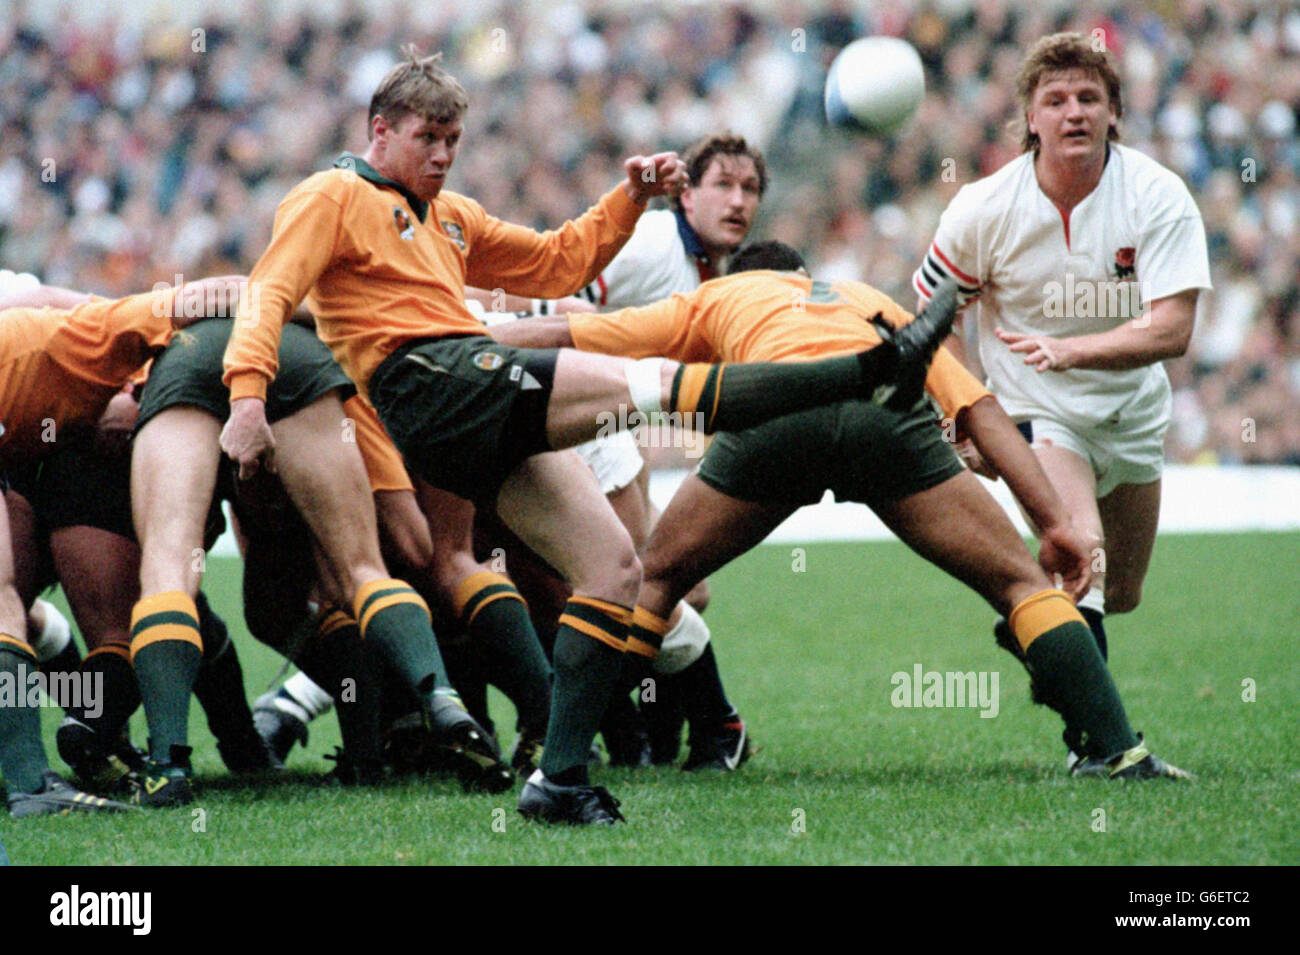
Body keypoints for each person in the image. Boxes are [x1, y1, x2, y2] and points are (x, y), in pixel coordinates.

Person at [220, 49, 953, 824]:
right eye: (429, 137)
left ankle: (559, 777)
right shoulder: (331, 194)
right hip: (430, 378)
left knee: (613, 569)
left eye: (454, 140)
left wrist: (627, 198)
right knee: (653, 384)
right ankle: (872, 369)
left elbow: (553, 260)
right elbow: (268, 292)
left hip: (461, 402)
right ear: (381, 129)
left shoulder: (451, 214)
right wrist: (246, 397)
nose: (442, 155)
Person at [492, 241, 1191, 782]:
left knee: (654, 578)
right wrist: (1055, 520)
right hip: (883, 417)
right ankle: (1119, 752)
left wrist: (469, 334)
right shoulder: (867, 298)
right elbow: (979, 410)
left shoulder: (717, 298)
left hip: (778, 411)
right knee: (1023, 586)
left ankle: (565, 759)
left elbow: (582, 337)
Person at [911, 33, 1211, 772]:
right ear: (1031, 119)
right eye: (1056, 100)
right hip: (1037, 410)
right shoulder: (984, 206)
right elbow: (929, 321)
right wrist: (963, 421)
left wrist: (1075, 349)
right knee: (1086, 563)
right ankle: (1103, 750)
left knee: (1126, 590)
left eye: (1088, 98)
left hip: (1133, 411)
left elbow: (1173, 329)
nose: (1073, 111)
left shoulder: (1157, 194)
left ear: (1114, 113)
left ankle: (1037, 633)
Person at [0, 272, 242, 817]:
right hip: (66, 466)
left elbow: (194, 299)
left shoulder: (79, 334)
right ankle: (43, 772)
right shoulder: (59, 336)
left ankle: (87, 732)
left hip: (54, 470)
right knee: (20, 603)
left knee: (29, 606)